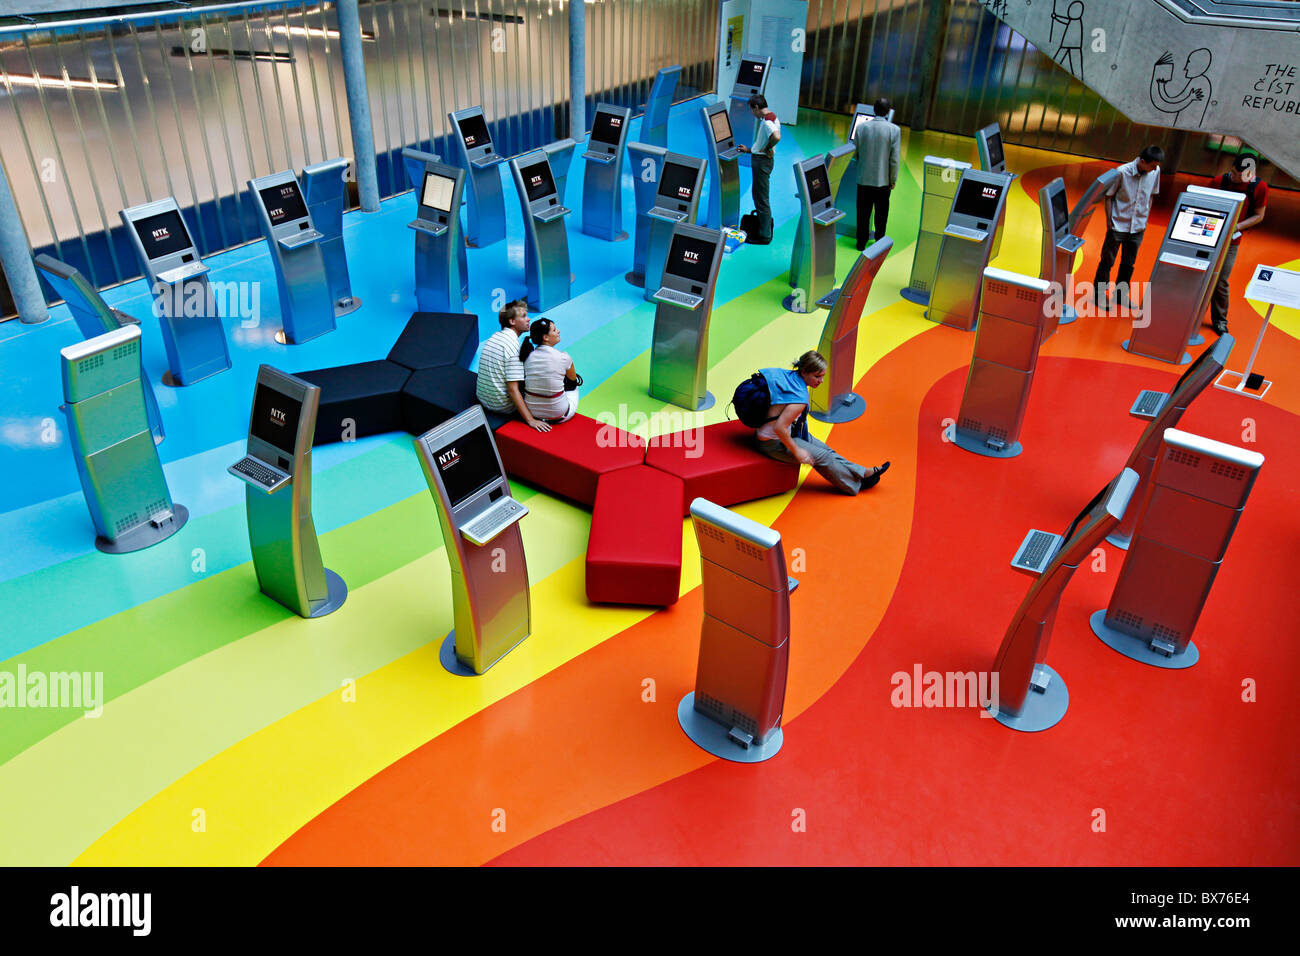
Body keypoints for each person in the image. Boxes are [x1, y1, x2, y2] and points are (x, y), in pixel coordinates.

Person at [754, 351, 889, 496]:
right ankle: (854, 485)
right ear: (804, 371)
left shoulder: (790, 376)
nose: (821, 381)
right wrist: (797, 450)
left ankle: (862, 472)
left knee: (826, 450)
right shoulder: (800, 398)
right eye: (817, 376)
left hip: (791, 431)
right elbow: (779, 428)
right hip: (772, 443)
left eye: (823, 375)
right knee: (823, 457)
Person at [1092, 145, 1163, 311]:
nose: (1155, 169)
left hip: (1138, 227)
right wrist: (1109, 223)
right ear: (1143, 161)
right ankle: (1099, 295)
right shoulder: (1122, 172)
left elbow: (1151, 195)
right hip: (1118, 225)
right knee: (1107, 261)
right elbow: (1109, 197)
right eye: (1153, 165)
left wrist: (1145, 218)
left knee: (1128, 264)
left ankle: (1120, 295)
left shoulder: (1155, 172)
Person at [1207, 153, 1268, 336]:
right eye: (1233, 173)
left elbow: (1259, 215)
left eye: (1240, 175)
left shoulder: (1259, 187)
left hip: (1232, 242)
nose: (1234, 178)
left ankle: (1219, 320)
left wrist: (1237, 227)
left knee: (1221, 281)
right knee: (1198, 275)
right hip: (1209, 238)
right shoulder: (1219, 181)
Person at [475, 299, 551, 431]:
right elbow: (512, 389)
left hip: (482, 398)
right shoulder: (513, 347)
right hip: (501, 406)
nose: (529, 319)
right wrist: (530, 420)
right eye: (523, 316)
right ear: (512, 321)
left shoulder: (495, 336)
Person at [851, 96, 901, 249]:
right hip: (883, 181)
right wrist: (893, 179)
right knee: (881, 214)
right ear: (888, 111)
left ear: (874, 109)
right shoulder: (894, 130)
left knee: (863, 213)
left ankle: (861, 242)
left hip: (864, 178)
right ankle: (879, 242)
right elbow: (894, 159)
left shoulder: (861, 128)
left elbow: (855, 153)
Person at [519, 317, 580, 424]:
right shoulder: (564, 357)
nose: (558, 331)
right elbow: (572, 383)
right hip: (559, 414)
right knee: (574, 388)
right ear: (545, 337)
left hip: (532, 412)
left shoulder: (527, 357)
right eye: (554, 330)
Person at [737, 94, 780, 238]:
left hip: (762, 162)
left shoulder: (767, 123)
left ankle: (765, 234)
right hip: (762, 160)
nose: (752, 113)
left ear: (756, 107)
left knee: (761, 198)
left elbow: (776, 136)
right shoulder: (772, 117)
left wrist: (768, 148)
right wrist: (749, 150)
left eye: (752, 110)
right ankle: (764, 227)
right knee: (760, 195)